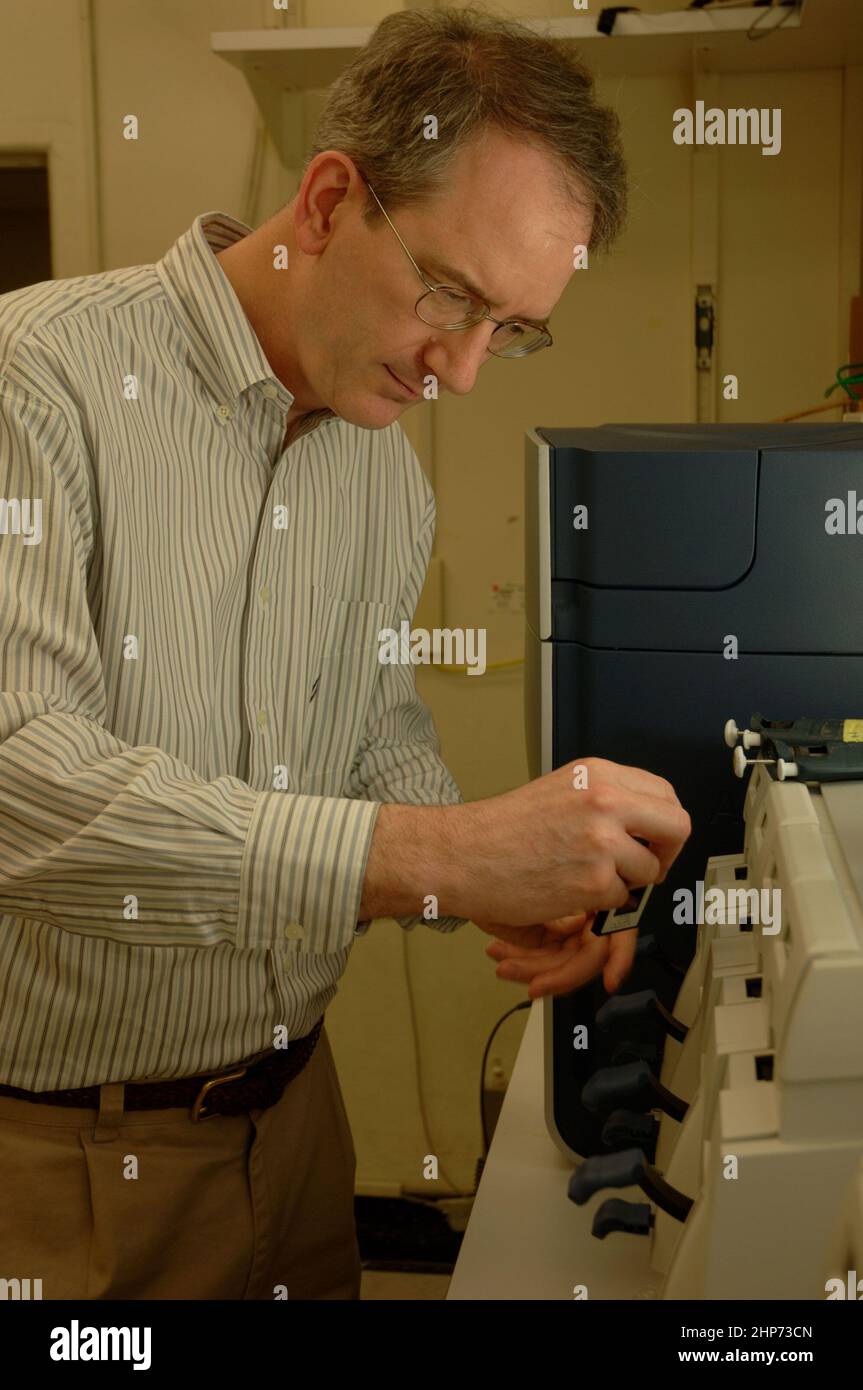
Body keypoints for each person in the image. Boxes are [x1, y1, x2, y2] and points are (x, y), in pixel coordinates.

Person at [0, 6, 689, 1300]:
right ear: (327, 199)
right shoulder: (37, 379)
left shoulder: (381, 471)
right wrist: (436, 855)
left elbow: (368, 733)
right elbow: (19, 786)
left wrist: (494, 872)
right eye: (453, 295)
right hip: (60, 1168)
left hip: (294, 1129)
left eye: (515, 330)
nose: (466, 371)